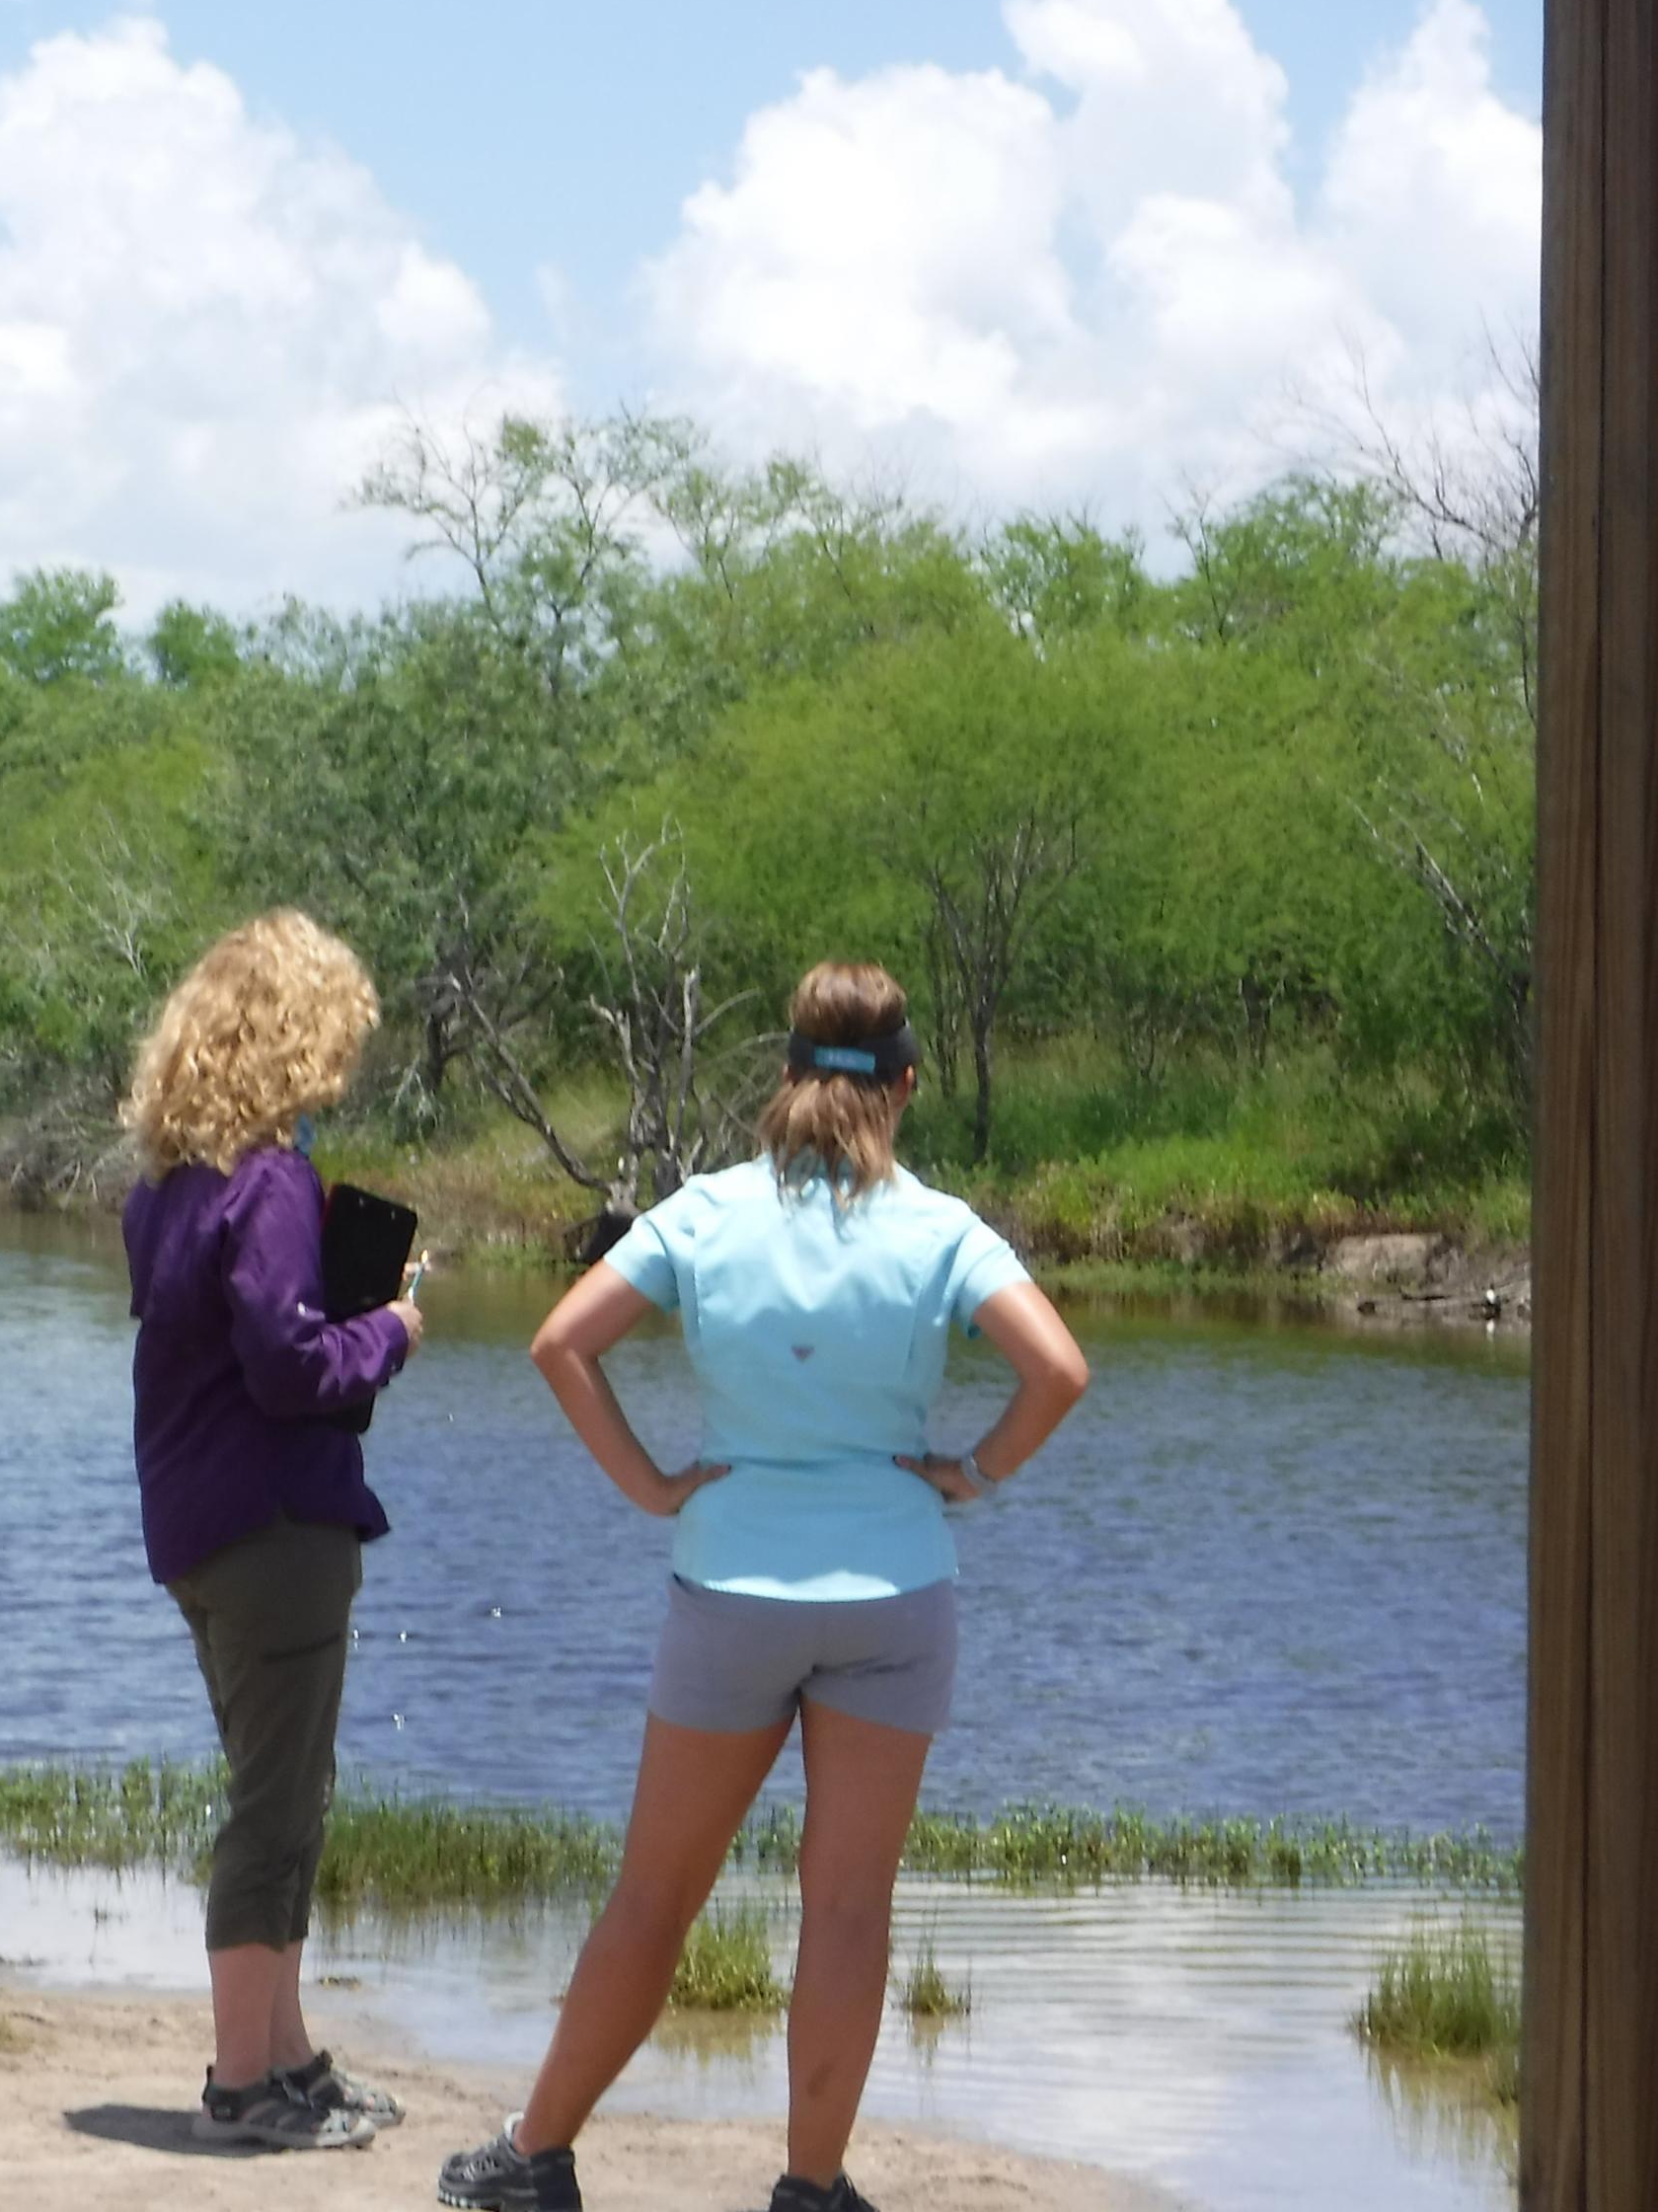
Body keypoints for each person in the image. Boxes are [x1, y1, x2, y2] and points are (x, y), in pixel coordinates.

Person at [435, 961, 1092, 2212]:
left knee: (654, 1892)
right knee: (844, 1910)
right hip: (893, 1590)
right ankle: (808, 2187)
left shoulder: (703, 1214)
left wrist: (649, 1482)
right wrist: (969, 1472)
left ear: (784, 1077)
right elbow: (1055, 1369)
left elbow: (559, 1343)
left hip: (728, 1587)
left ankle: (533, 2158)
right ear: (903, 1085)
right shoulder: (939, 1228)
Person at [118, 909, 426, 2150]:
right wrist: (391, 1331)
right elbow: (292, 1362)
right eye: (337, 1040)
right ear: (299, 1043)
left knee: (288, 1789)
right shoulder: (270, 1179)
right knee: (273, 1805)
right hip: (274, 1522)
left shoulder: (171, 1187)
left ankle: (287, 2055)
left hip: (196, 1523)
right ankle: (242, 2081)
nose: (343, 1068)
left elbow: (235, 1334)